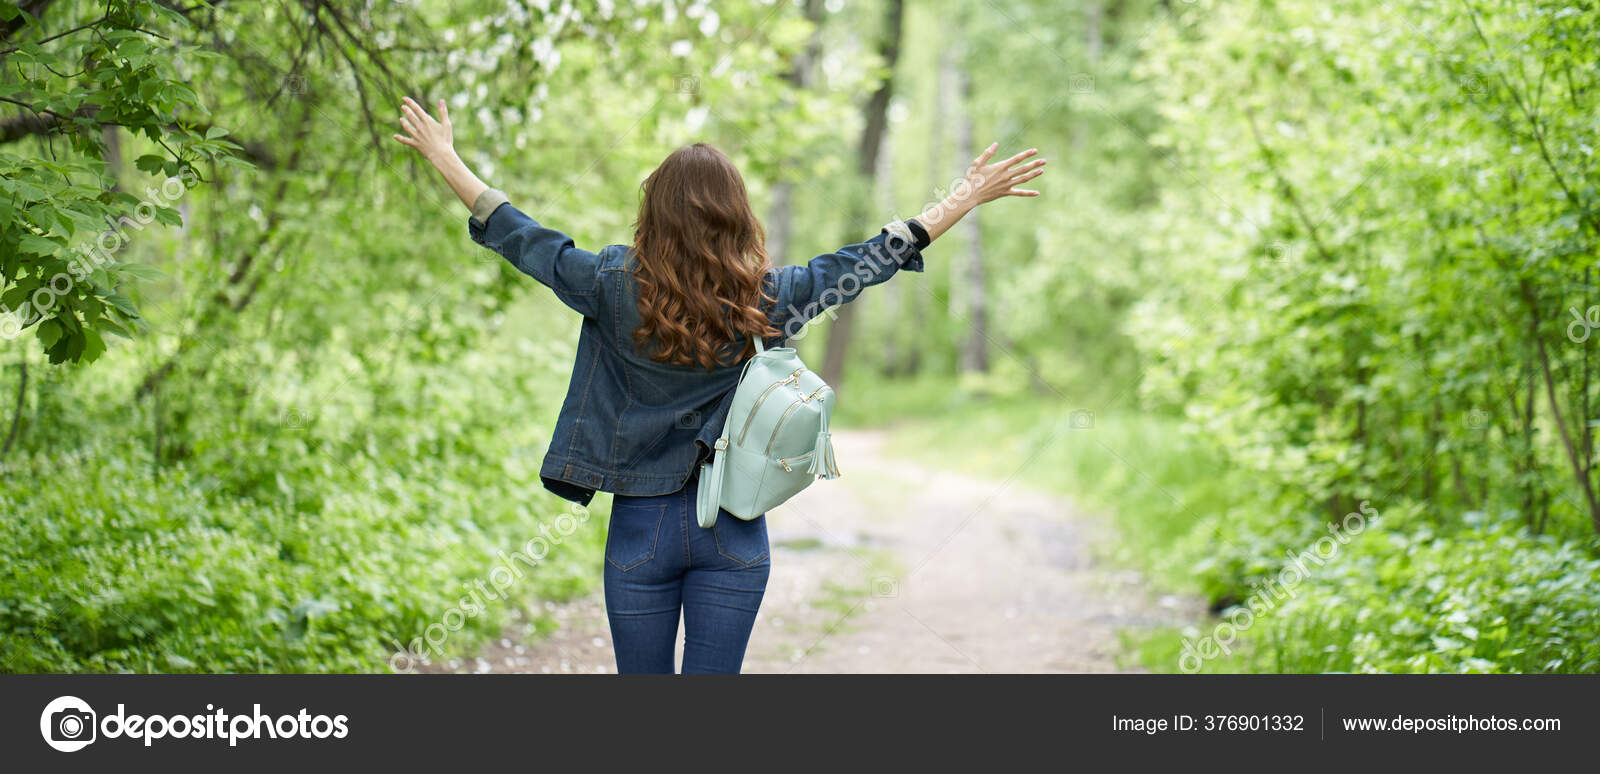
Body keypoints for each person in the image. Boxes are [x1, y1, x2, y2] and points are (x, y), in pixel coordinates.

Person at [393, 96, 1045, 673]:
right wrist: (964, 197)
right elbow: (867, 260)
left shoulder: (609, 284)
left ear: (654, 215)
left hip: (639, 529)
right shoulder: (772, 296)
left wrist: (446, 157)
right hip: (732, 526)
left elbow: (522, 237)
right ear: (736, 217)